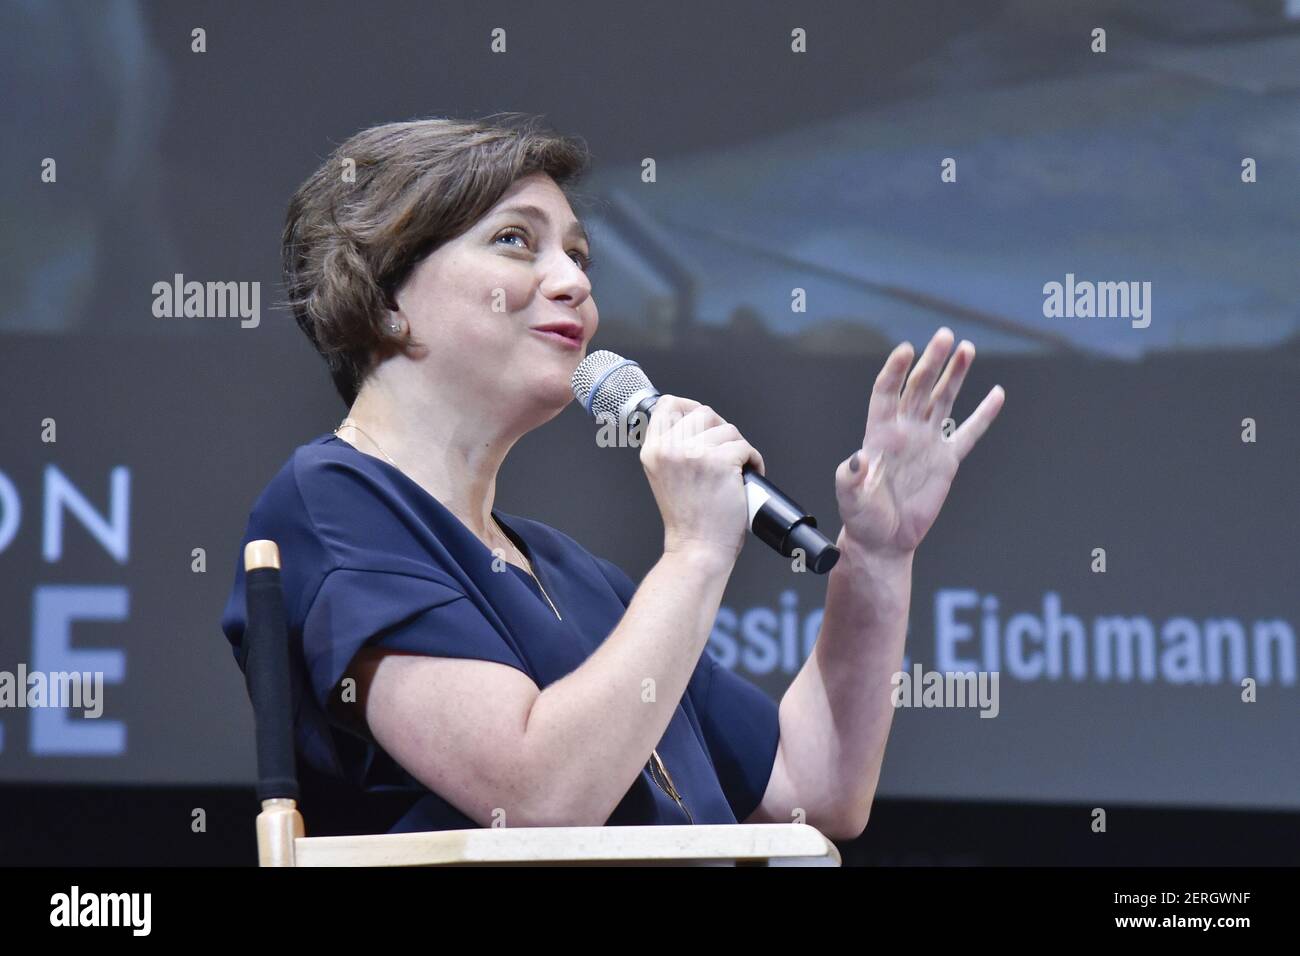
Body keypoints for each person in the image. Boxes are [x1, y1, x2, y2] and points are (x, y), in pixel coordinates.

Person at [220, 114, 1005, 838]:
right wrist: (697, 551)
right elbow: (534, 798)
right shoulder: (331, 502)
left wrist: (878, 556)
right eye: (516, 243)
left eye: (578, 254)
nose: (573, 282)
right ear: (387, 297)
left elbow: (817, 784)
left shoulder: (573, 575)